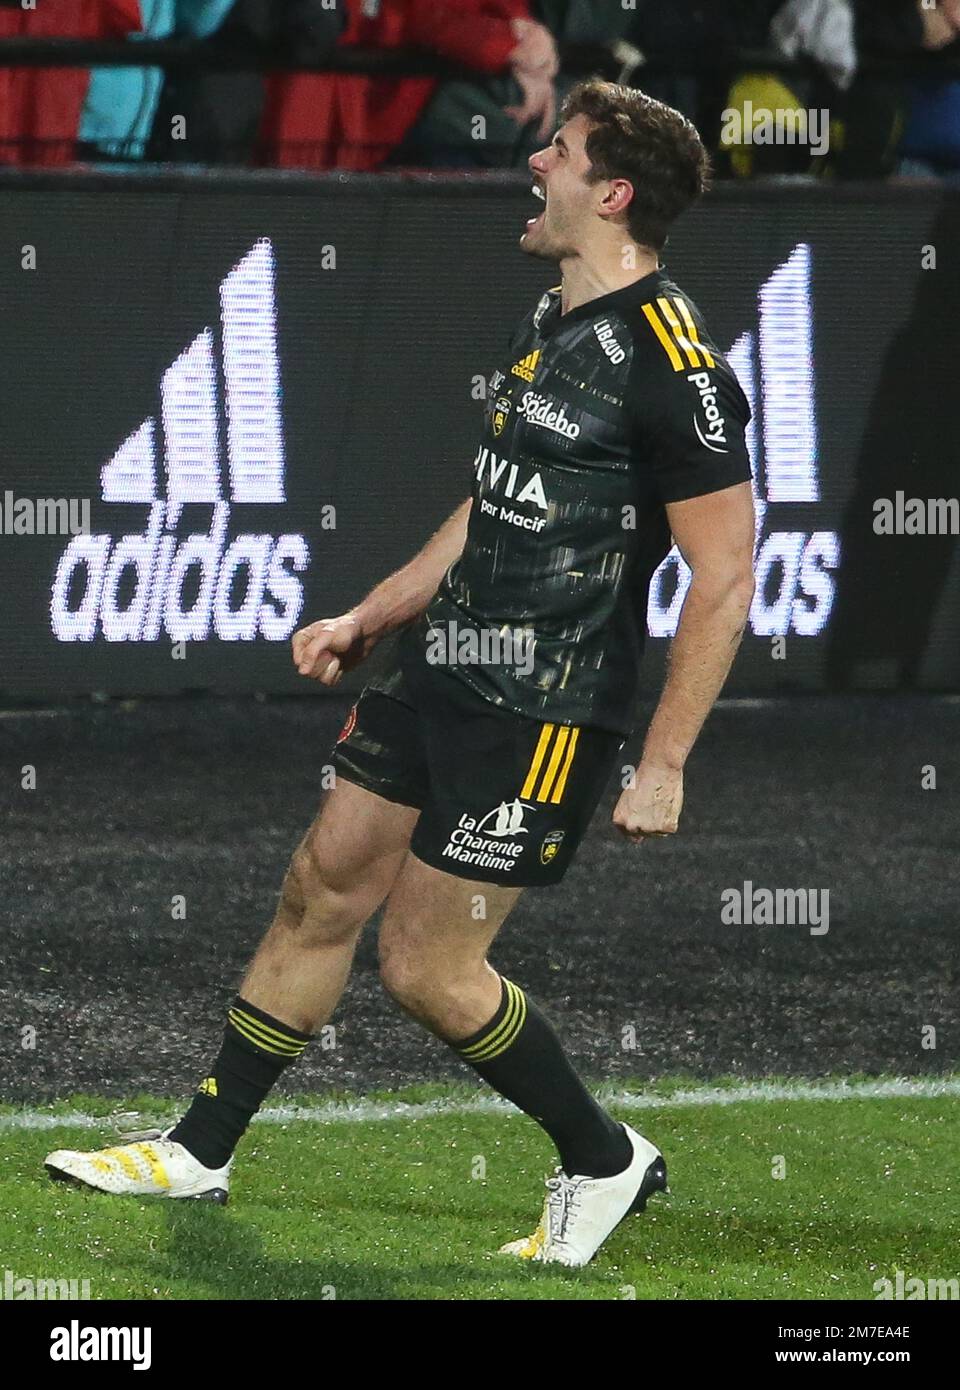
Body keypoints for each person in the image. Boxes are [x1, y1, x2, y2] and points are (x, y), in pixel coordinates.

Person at [46, 79, 757, 1268]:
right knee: (322, 884)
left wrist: (666, 760)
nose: (537, 163)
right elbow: (496, 502)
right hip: (444, 670)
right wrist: (372, 613)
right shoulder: (555, 313)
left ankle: (602, 1158)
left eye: (562, 154)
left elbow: (725, 575)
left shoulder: (675, 367)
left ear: (612, 193)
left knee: (428, 966)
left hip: (546, 708)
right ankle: (200, 1147)